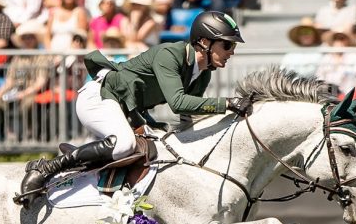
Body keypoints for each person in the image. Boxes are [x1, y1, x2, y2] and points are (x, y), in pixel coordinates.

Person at [17, 11, 248, 203]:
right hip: (99, 97)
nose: (232, 52)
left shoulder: (202, 75)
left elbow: (186, 116)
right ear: (204, 42)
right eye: (227, 45)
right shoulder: (171, 54)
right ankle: (47, 167)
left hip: (125, 109)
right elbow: (178, 102)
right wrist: (226, 104)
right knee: (124, 144)